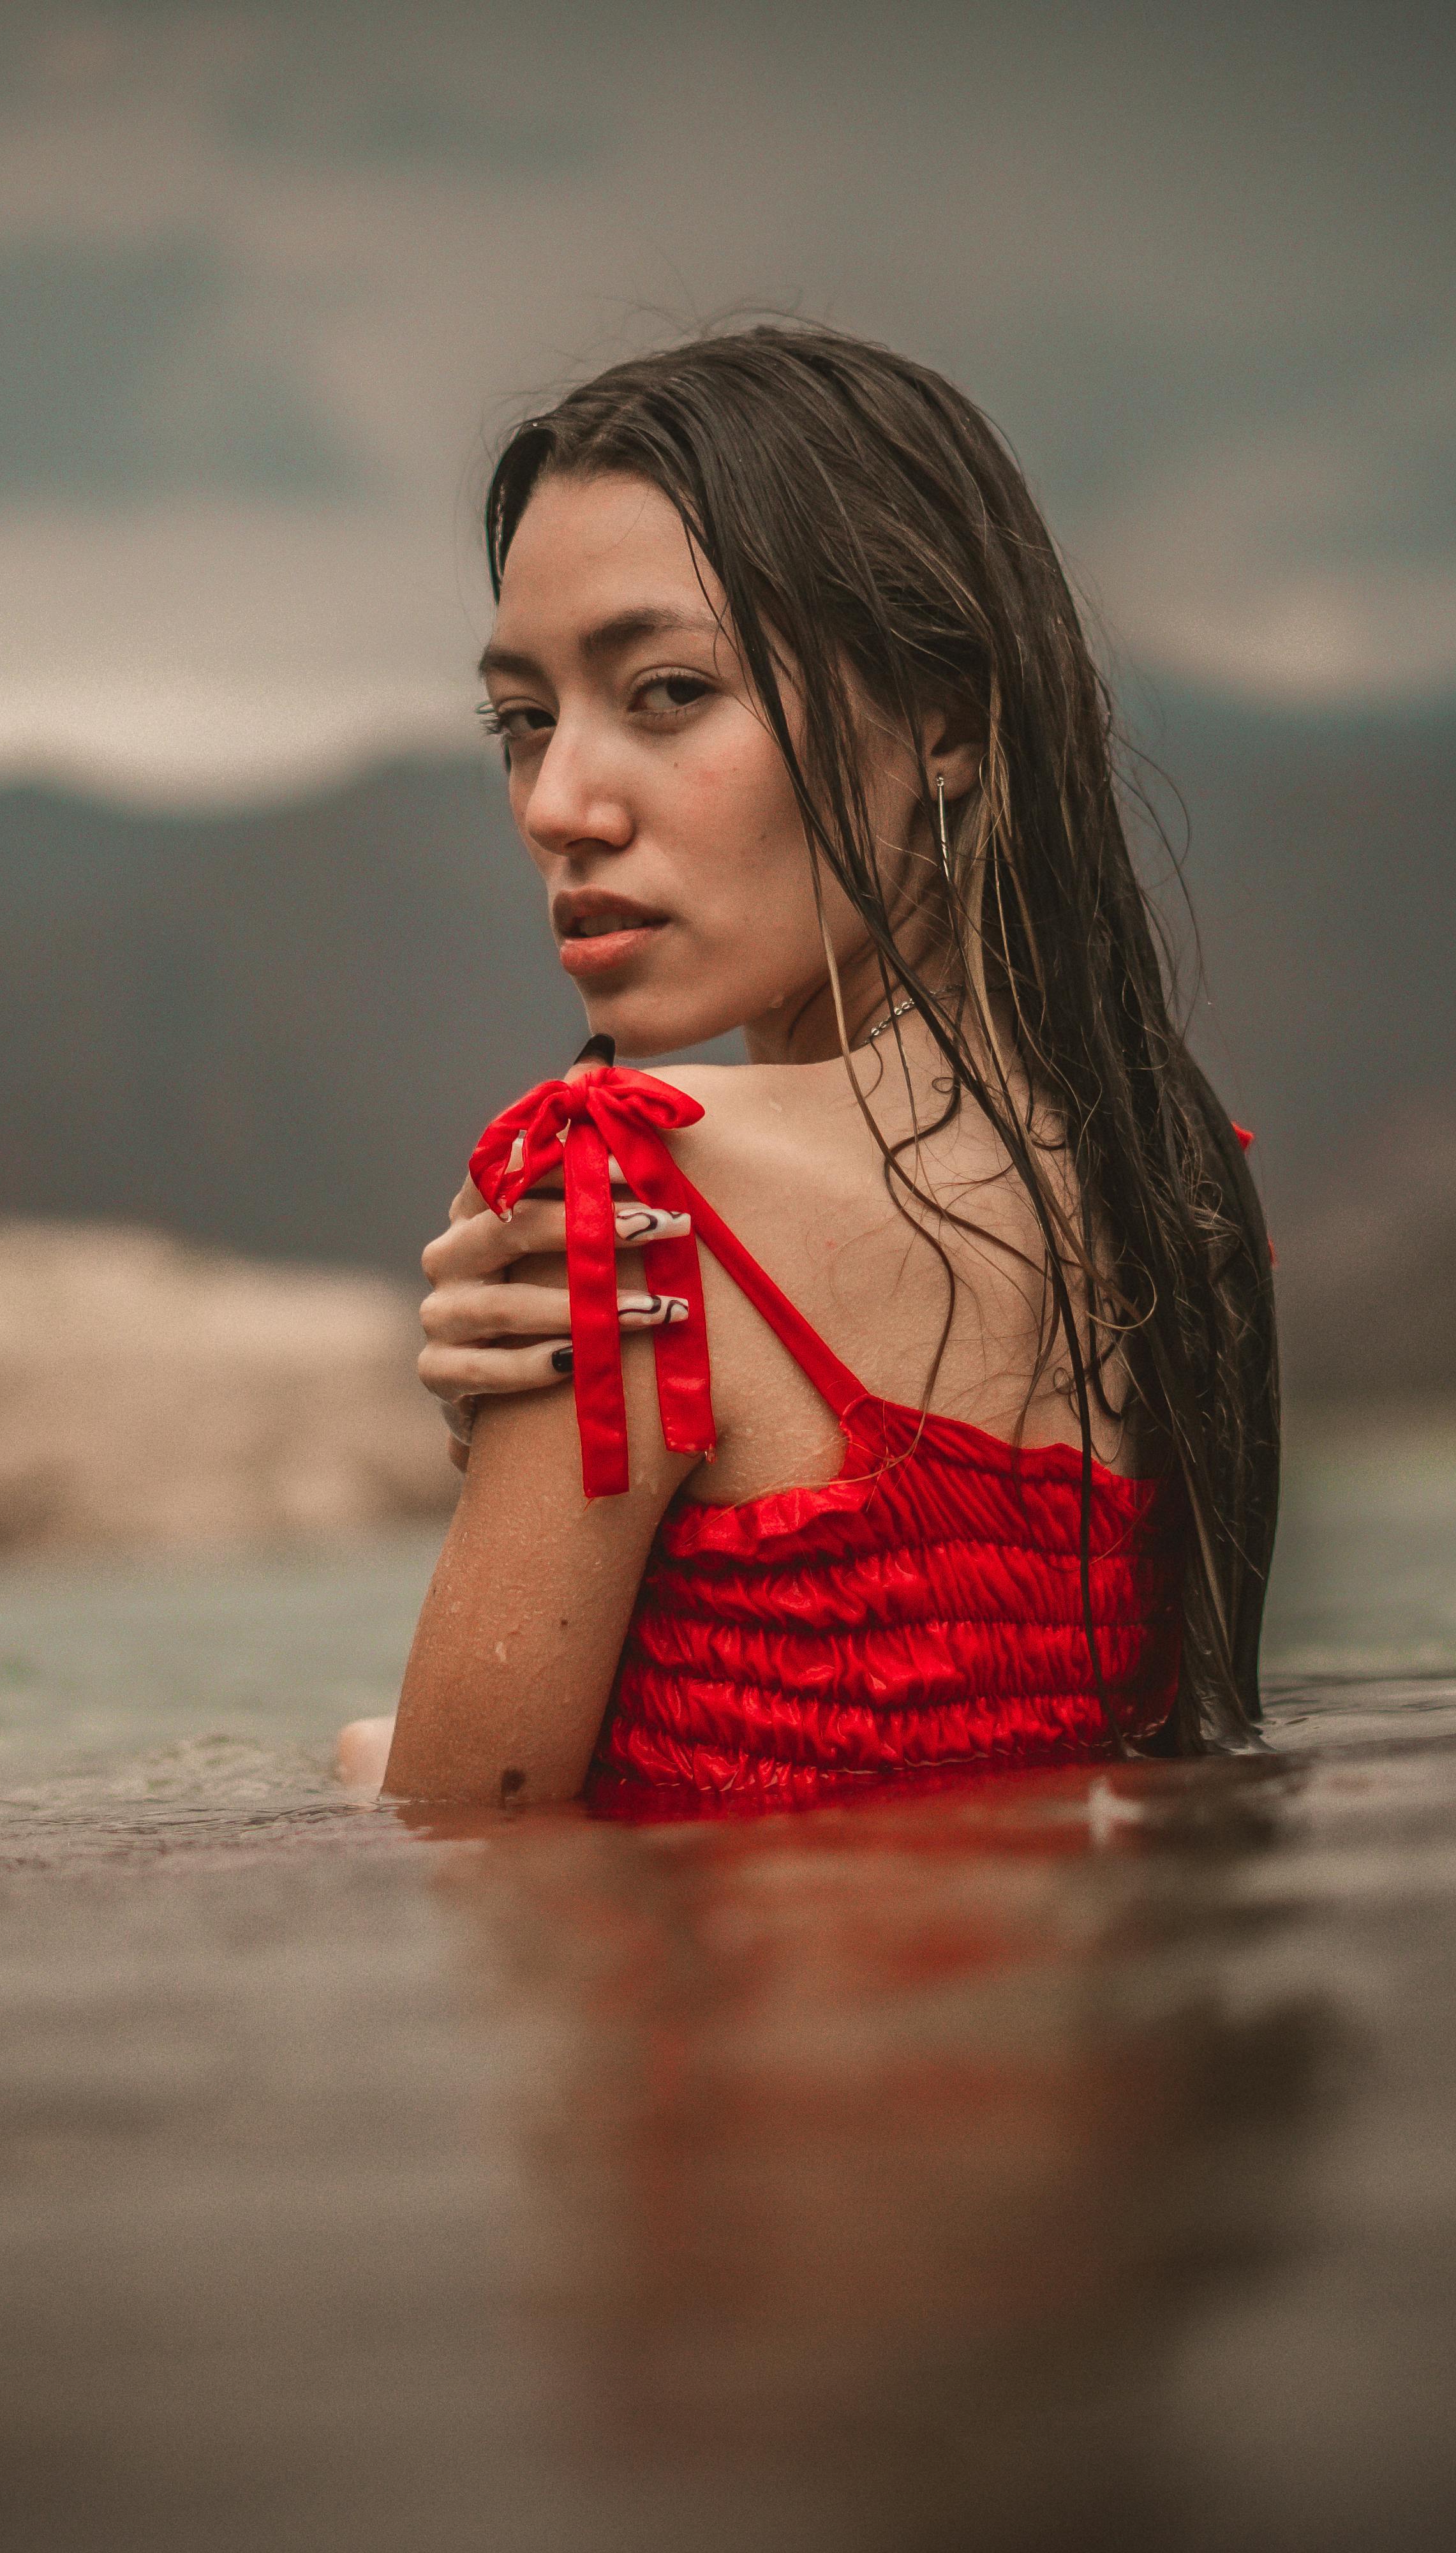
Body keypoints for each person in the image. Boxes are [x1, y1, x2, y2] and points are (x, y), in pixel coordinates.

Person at [337, 325, 1278, 1816]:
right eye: (524, 719)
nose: (559, 804)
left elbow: (470, 1843)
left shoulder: (625, 1194)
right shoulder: (1180, 1186)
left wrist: (361, 1769)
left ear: (949, 724)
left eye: (663, 692)